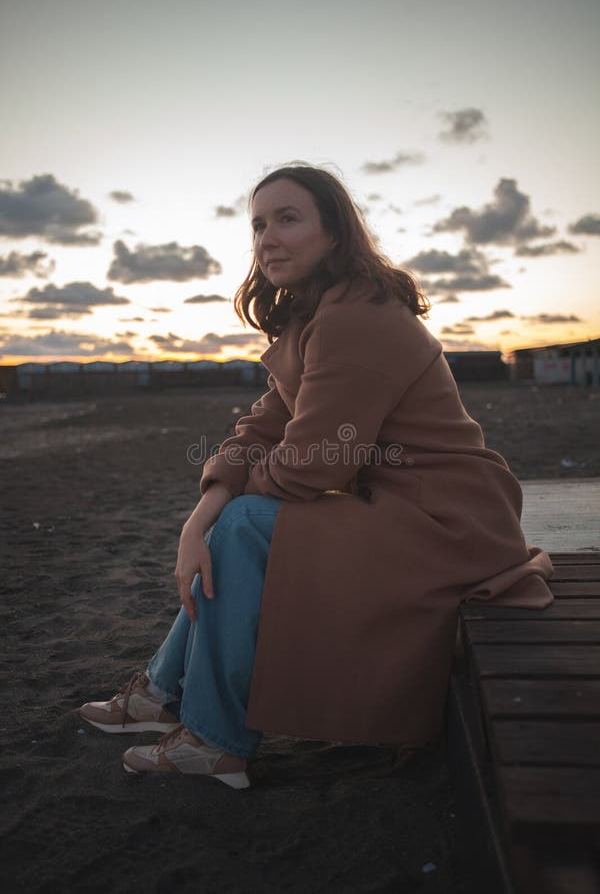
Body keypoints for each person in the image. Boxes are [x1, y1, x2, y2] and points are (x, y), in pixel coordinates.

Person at [79, 162, 554, 788]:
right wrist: (199, 518)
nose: (266, 238)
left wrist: (223, 517)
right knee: (235, 520)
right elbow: (262, 426)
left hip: (447, 521)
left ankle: (210, 737)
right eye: (257, 225)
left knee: (247, 523)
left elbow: (312, 463)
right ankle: (166, 692)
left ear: (334, 232)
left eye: (287, 219)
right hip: (401, 509)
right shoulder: (315, 318)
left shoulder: (358, 317)